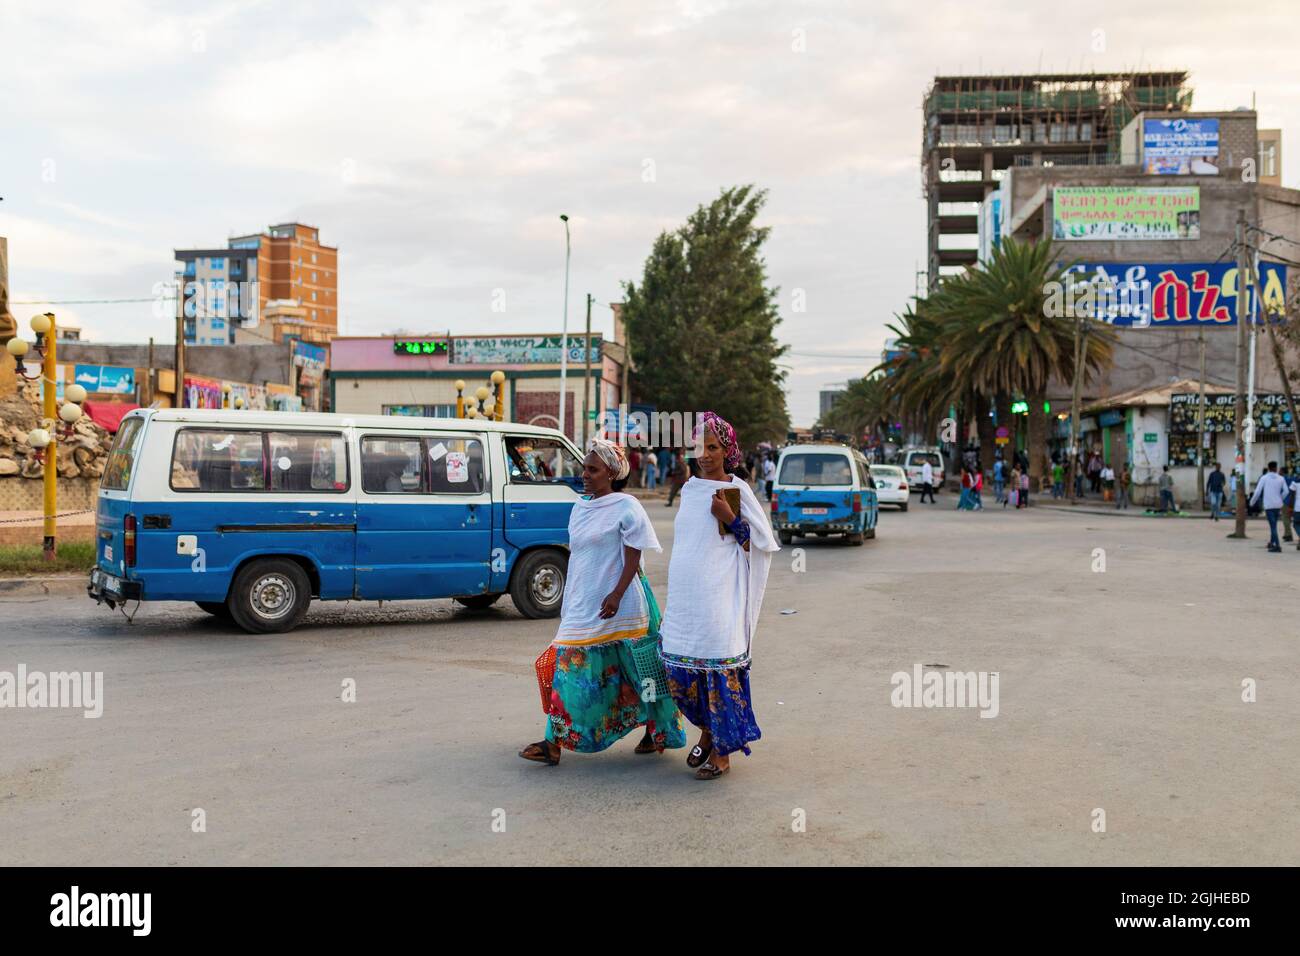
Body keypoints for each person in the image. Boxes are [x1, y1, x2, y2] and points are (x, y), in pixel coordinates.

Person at [519, 438, 686, 766]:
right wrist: (570, 599)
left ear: (611, 473)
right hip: (583, 605)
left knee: (641, 674)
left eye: (592, 469)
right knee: (569, 672)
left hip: (620, 607)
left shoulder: (627, 507)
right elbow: (580, 558)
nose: (585, 474)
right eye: (584, 467)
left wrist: (616, 594)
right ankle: (554, 741)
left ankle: (656, 731)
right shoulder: (580, 507)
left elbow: (633, 556)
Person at [660, 412, 778, 780]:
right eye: (699, 447)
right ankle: (709, 732)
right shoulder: (689, 489)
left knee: (716, 672)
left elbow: (759, 545)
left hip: (718, 599)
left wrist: (731, 517)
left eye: (713, 447)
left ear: (728, 450)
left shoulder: (736, 490)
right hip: (685, 600)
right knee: (680, 671)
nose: (706, 454)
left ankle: (722, 753)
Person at [1250, 460, 1290, 553]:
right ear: (1275, 468)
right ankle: (1272, 543)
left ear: (1269, 468)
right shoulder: (1281, 478)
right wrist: (1280, 498)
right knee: (1274, 525)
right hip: (1278, 505)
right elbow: (1286, 491)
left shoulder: (1264, 478)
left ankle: (1278, 546)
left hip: (1269, 505)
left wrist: (1252, 502)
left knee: (1273, 527)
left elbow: (1257, 492)